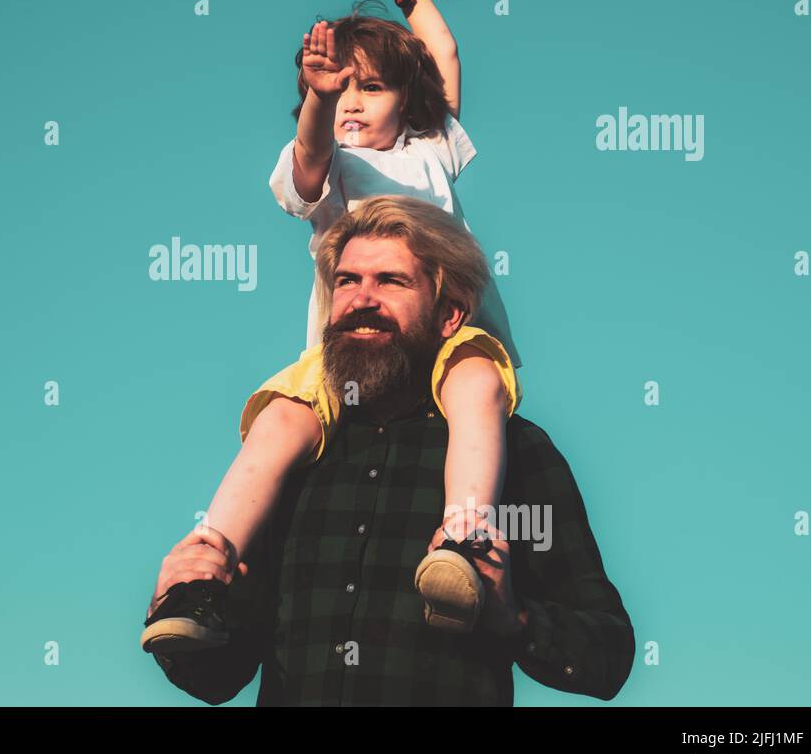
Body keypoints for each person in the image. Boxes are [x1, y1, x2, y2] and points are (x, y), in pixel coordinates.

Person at [142, 197, 635, 704]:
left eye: (391, 281)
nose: (362, 300)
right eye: (347, 281)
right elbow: (221, 676)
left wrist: (514, 617)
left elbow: (608, 656)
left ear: (450, 315)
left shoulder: (515, 451)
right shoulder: (292, 459)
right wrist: (184, 600)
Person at [143, 0, 521, 650]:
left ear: (409, 98)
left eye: (370, 87)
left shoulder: (430, 143)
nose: (351, 100)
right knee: (280, 420)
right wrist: (318, 97)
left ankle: (462, 541)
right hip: (354, 345)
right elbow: (308, 161)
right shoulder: (335, 164)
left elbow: (444, 53)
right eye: (338, 86)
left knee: (478, 387)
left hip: (449, 327)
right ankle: (204, 570)